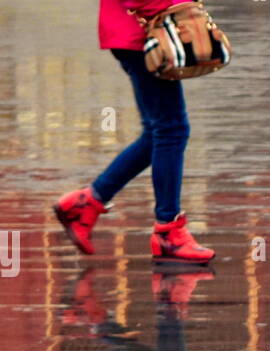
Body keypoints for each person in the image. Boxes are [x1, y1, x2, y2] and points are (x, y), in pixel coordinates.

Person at [54, 0, 215, 264]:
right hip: (145, 31)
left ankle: (86, 203)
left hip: (133, 31)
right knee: (170, 129)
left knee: (158, 131)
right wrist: (179, 11)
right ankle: (167, 231)